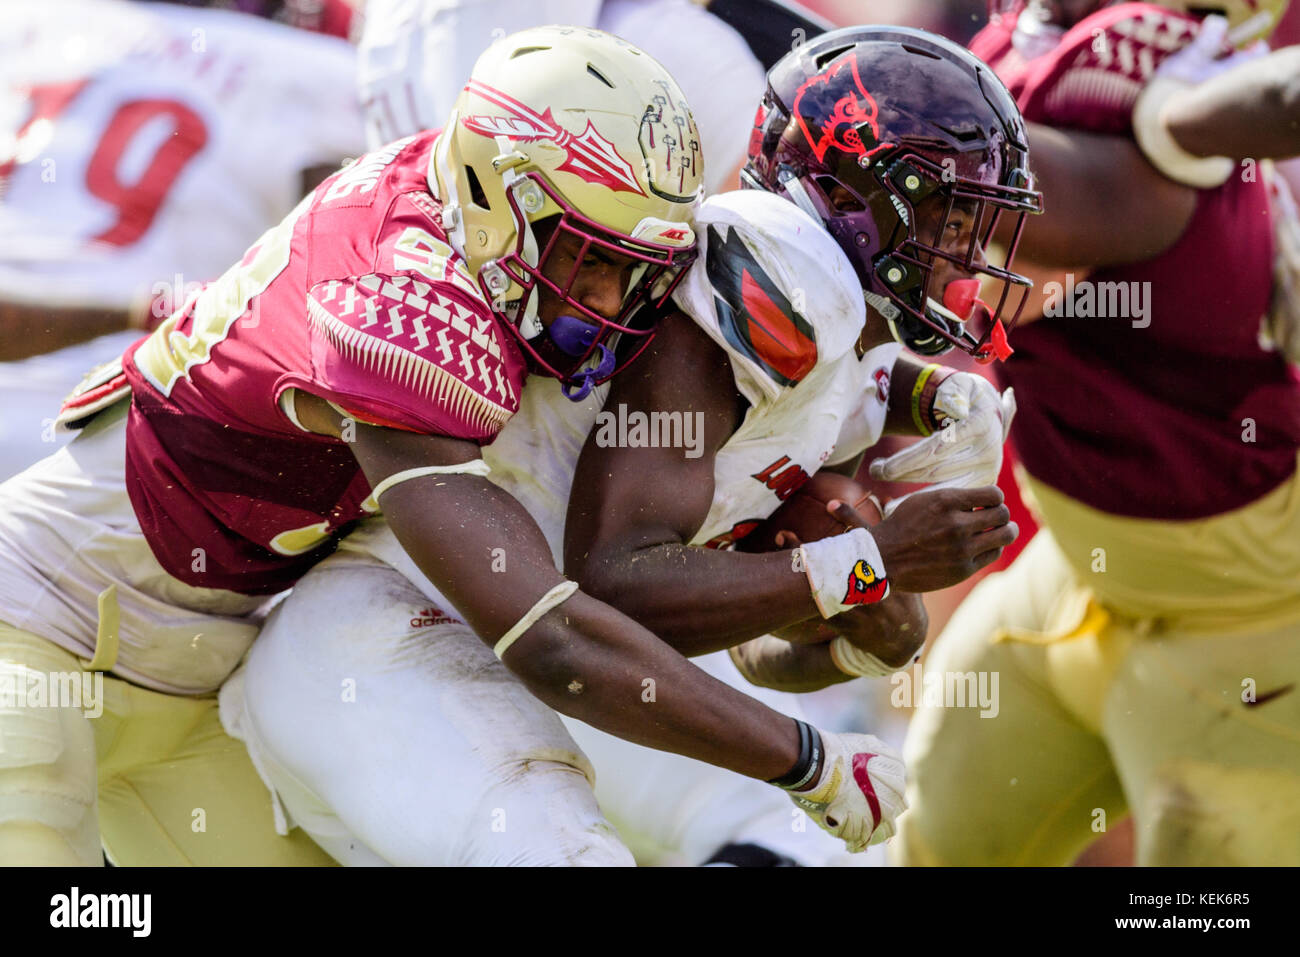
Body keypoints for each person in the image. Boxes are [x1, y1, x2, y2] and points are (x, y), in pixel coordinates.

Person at [3, 26, 892, 867]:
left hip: (195, 672)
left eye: (636, 267)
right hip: (39, 626)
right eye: (591, 259)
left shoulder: (473, 194)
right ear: (496, 193)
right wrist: (803, 759)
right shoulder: (403, 313)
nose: (615, 302)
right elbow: (549, 638)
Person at [223, 25, 1042, 866]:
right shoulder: (779, 288)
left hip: (550, 652)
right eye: (953, 216)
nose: (969, 256)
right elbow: (615, 580)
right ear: (859, 199)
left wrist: (869, 606)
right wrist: (866, 563)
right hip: (402, 627)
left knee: (808, 850)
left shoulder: (821, 336)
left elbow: (746, 653)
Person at [895, 0, 1300, 866]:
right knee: (935, 842)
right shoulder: (1033, 44)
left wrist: (1173, 125)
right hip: (1079, 572)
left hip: (1257, 617)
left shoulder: (1148, 64)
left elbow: (1019, 212)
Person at [0, 0, 364, 479]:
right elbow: (355, 274)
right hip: (115, 433)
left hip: (97, 413)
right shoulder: (318, 70)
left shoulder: (24, 18)